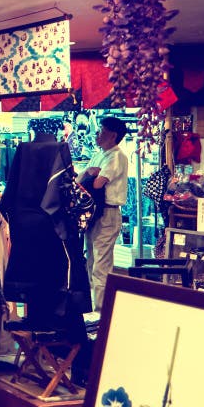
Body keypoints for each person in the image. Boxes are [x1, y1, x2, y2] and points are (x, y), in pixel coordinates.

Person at [78, 116, 129, 311]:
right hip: (94, 213)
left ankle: (102, 311)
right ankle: (94, 309)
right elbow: (82, 178)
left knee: (101, 264)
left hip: (107, 213)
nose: (97, 134)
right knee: (91, 261)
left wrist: (91, 173)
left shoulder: (117, 156)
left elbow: (98, 182)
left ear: (113, 135)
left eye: (101, 130)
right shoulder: (99, 154)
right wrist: (91, 172)